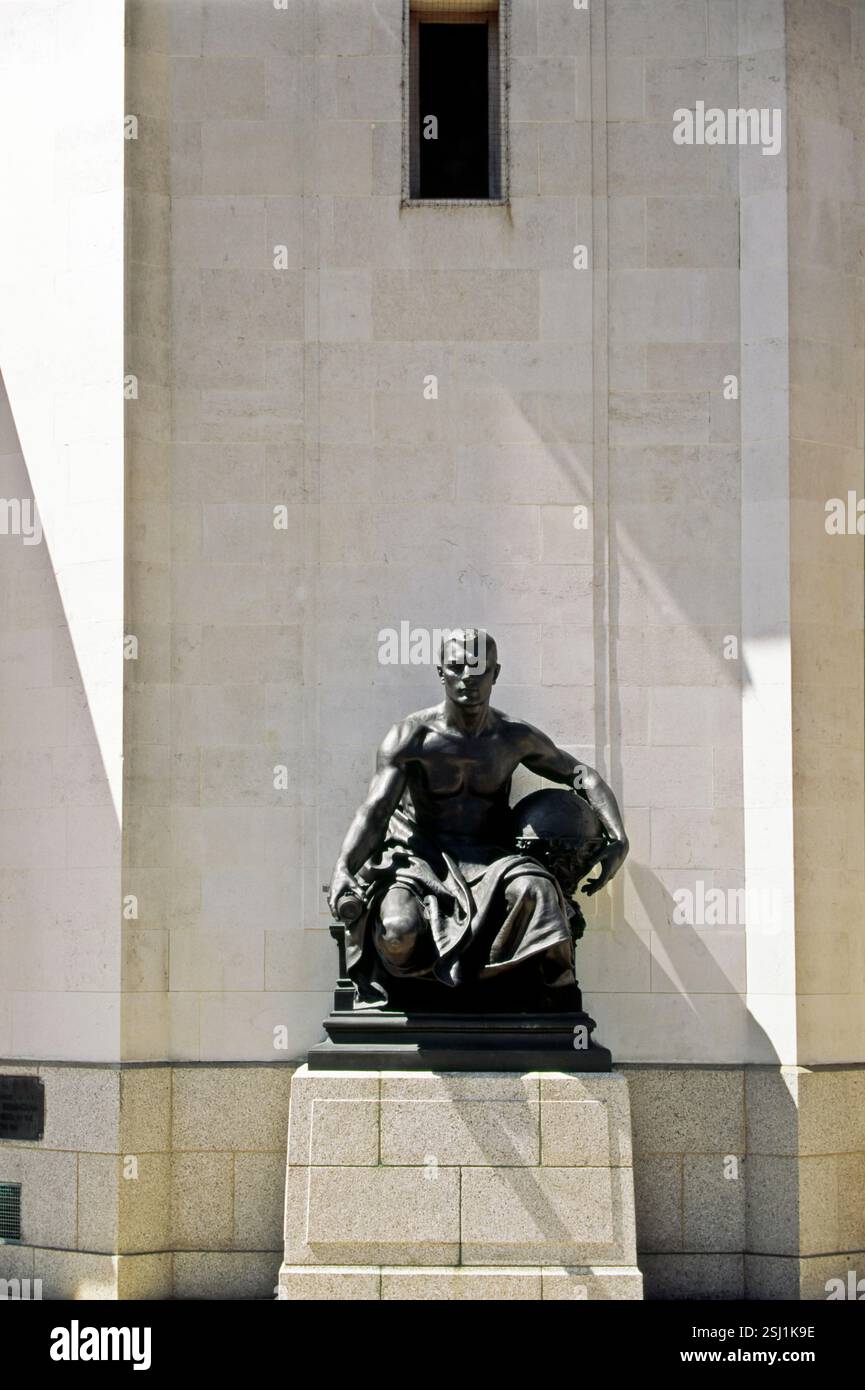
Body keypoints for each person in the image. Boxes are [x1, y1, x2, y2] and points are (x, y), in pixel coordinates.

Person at [326, 629, 629, 1009]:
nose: (467, 677)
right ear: (441, 672)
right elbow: (374, 812)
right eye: (456, 667)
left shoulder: (513, 737)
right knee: (398, 934)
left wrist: (618, 836)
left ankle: (553, 1004)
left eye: (477, 668)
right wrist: (343, 866)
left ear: (495, 673)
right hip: (420, 861)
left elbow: (581, 774)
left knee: (539, 891)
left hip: (491, 859)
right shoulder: (410, 738)